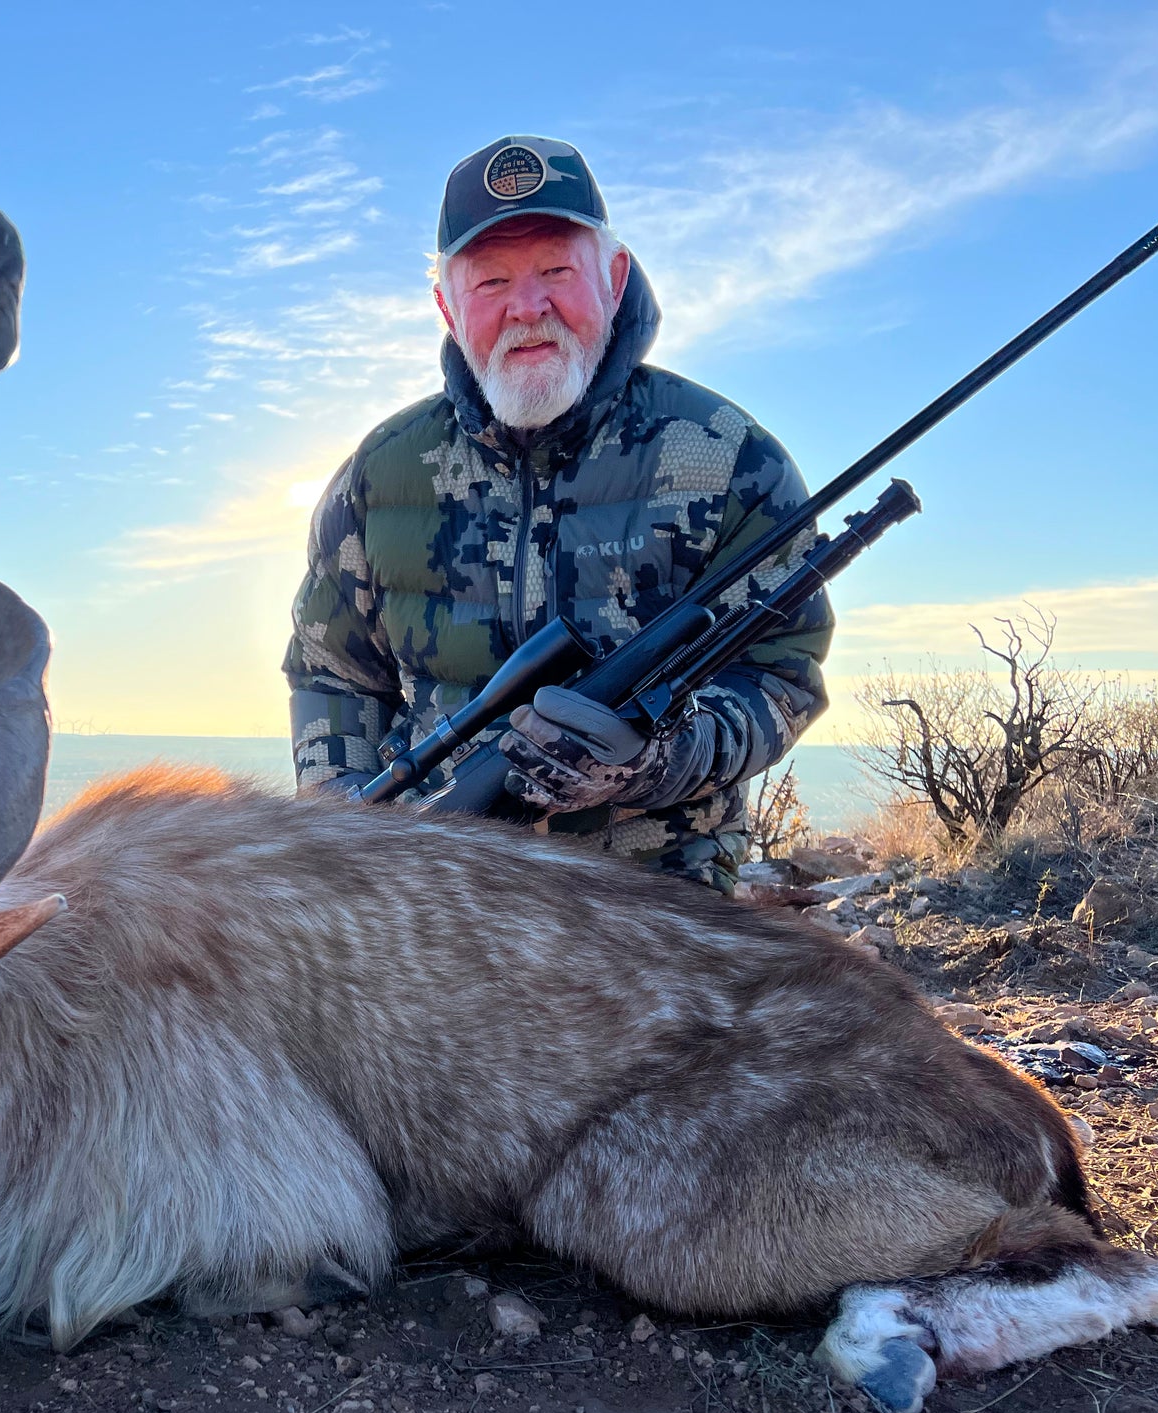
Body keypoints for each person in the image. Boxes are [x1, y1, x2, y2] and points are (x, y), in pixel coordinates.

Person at [284, 133, 833, 891]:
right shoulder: (379, 475)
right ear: (447, 306)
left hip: (659, 895)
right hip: (434, 893)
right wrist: (343, 827)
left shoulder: (726, 456)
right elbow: (331, 674)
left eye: (555, 270)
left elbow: (781, 673)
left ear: (613, 278)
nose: (528, 306)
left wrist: (653, 765)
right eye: (491, 282)